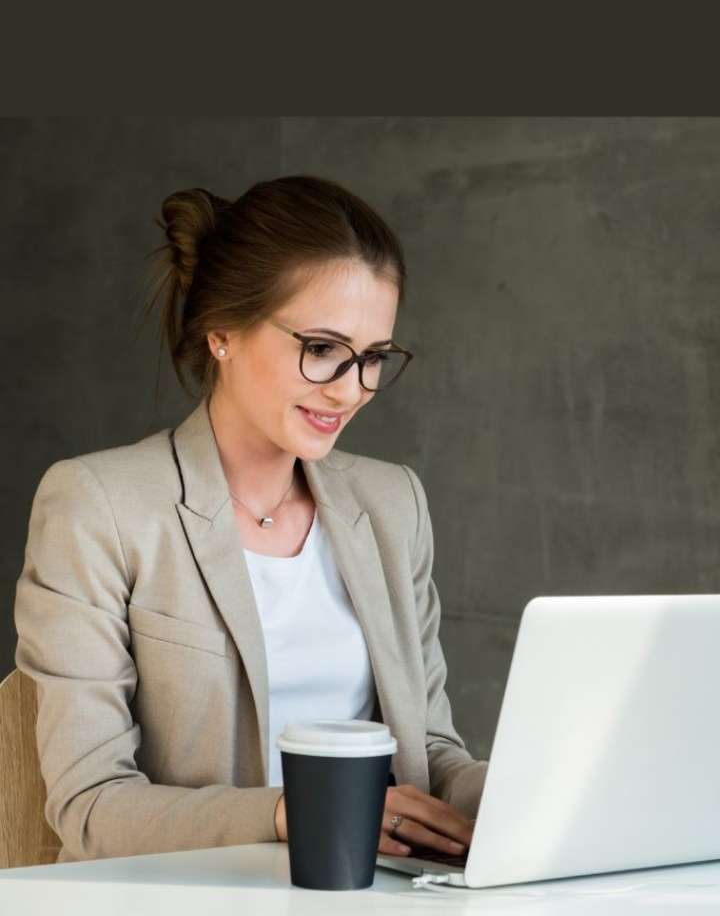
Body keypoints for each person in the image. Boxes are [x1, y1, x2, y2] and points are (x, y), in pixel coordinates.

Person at [14, 174, 487, 864]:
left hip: (368, 890)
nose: (352, 389)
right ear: (222, 333)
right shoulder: (99, 506)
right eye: (322, 348)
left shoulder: (392, 505)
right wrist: (297, 814)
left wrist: (535, 794)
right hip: (176, 896)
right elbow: (90, 805)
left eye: (374, 357)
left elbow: (429, 753)